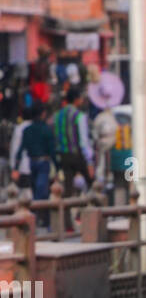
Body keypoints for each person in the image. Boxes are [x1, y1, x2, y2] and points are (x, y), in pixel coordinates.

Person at [54, 88, 94, 230]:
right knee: (92, 185)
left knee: (68, 191)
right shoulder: (79, 116)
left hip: (63, 156)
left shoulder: (57, 116)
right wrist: (89, 162)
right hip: (77, 155)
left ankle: (67, 225)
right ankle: (84, 215)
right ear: (76, 99)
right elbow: (83, 141)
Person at [13, 104, 56, 225]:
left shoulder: (27, 130)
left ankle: (41, 220)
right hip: (43, 163)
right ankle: (36, 219)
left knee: (39, 190)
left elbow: (20, 150)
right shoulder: (46, 129)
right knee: (41, 191)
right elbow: (52, 150)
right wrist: (58, 168)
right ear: (42, 113)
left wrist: (16, 168)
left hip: (33, 163)